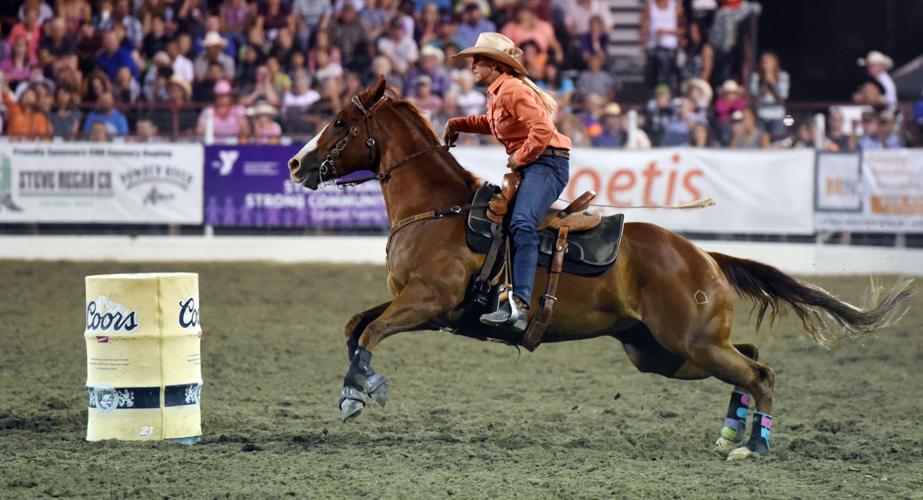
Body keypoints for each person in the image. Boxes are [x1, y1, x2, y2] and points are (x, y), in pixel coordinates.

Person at [443, 33, 571, 332]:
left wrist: (521, 157)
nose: (472, 65)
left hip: (546, 163)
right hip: (539, 162)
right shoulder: (499, 92)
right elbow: (494, 123)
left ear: (495, 64)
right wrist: (458, 123)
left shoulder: (511, 90)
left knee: (522, 223)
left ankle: (520, 305)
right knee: (509, 221)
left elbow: (542, 127)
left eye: (478, 60)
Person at [640, 0, 684, 91]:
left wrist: (665, 32)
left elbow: (682, 29)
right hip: (654, 47)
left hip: (671, 48)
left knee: (667, 71)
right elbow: (644, 27)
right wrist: (645, 43)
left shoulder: (675, 7)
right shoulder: (649, 7)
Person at [748, 51, 789, 139]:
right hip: (761, 115)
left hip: (777, 115)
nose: (765, 64)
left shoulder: (783, 76)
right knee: (761, 142)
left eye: (768, 62)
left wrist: (772, 84)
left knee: (778, 142)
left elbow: (782, 97)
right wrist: (763, 83)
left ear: (774, 63)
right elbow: (754, 96)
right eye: (763, 62)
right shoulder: (756, 77)